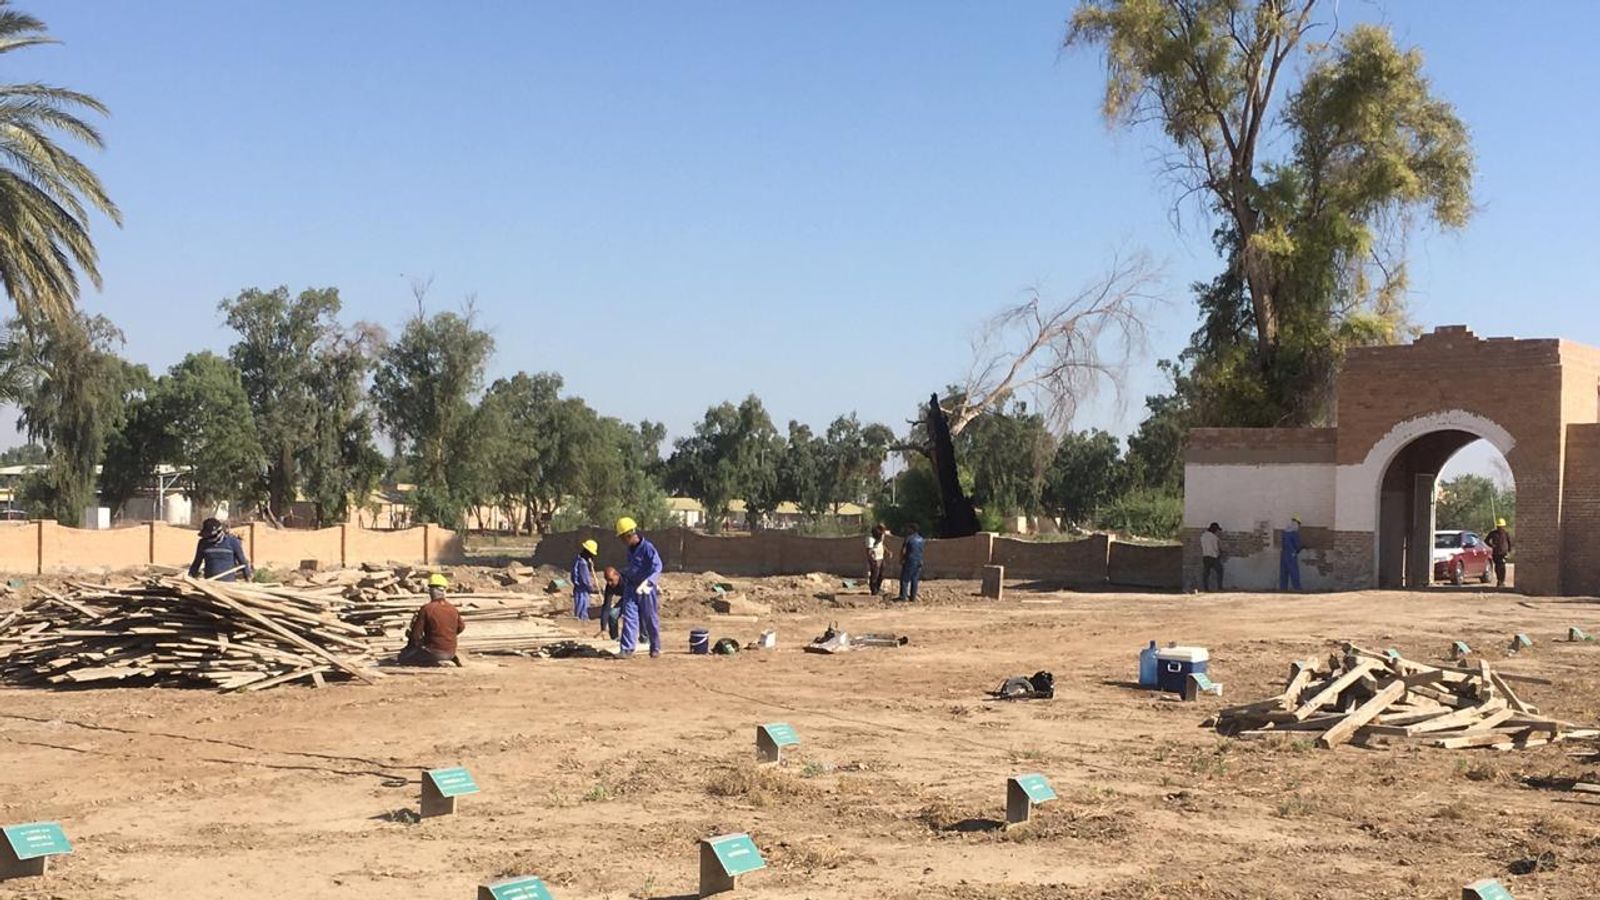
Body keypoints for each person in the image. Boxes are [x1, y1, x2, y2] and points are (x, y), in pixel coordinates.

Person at [615, 516, 663, 658]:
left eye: (622, 538)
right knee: (629, 616)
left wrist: (650, 582)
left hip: (646, 588)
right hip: (631, 587)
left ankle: (655, 646)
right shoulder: (630, 549)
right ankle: (627, 649)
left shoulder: (647, 548)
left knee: (650, 618)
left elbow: (657, 566)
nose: (622, 542)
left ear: (629, 535)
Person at [399, 573, 465, 667]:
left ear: (431, 591)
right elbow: (461, 627)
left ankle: (437, 663)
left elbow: (416, 636)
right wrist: (447, 635)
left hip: (433, 652)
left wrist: (412, 647)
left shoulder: (427, 609)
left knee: (404, 658)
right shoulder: (453, 609)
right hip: (451, 652)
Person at [188, 517, 252, 582]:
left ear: (218, 532)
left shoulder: (232, 542)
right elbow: (197, 562)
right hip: (209, 584)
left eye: (209, 536)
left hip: (228, 586)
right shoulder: (203, 543)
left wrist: (248, 578)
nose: (208, 538)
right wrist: (190, 576)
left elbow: (243, 562)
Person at [895, 522, 926, 602]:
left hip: (910, 560)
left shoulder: (909, 538)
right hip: (919, 560)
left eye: (909, 528)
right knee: (914, 579)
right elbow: (921, 550)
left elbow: (903, 550)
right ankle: (913, 597)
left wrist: (901, 559)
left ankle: (903, 596)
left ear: (912, 529)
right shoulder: (921, 539)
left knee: (904, 579)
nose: (907, 530)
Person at [571, 539, 600, 620]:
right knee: (582, 606)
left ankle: (579, 619)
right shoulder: (583, 563)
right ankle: (581, 620)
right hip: (582, 589)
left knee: (579, 605)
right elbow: (585, 579)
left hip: (578, 587)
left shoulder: (579, 559)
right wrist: (592, 588)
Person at [597, 566, 624, 640]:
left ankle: (644, 638)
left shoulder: (626, 579)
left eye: (611, 580)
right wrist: (603, 628)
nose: (609, 583)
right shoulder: (609, 587)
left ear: (617, 575)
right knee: (612, 614)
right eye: (607, 580)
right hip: (625, 598)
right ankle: (614, 638)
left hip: (637, 596)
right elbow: (606, 606)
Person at [1485, 517, 1514, 588]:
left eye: (1501, 527)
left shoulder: (1506, 533)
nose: (1500, 528)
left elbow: (1510, 543)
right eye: (1499, 526)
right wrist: (1492, 545)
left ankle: (1502, 581)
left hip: (1503, 553)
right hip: (1496, 553)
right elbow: (1486, 541)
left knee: (1502, 567)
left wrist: (1509, 551)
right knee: (1498, 567)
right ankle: (1499, 580)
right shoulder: (1493, 533)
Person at [1279, 516, 1303, 591]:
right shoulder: (1294, 533)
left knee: (1283, 573)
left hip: (1283, 554)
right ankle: (1297, 588)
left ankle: (1283, 589)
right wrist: (1299, 549)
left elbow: (1283, 543)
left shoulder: (1285, 532)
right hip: (1291, 554)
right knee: (1294, 571)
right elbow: (1297, 545)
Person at [865, 523, 889, 596]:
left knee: (881, 575)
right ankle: (874, 590)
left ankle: (878, 588)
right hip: (875, 559)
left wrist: (887, 551)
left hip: (881, 557)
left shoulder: (880, 536)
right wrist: (872, 560)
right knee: (875, 575)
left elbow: (881, 544)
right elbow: (868, 551)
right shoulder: (870, 539)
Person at [1200, 522, 1224, 591]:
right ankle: (1219, 587)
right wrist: (1219, 554)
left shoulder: (1203, 536)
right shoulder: (1214, 537)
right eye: (1216, 530)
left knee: (1206, 573)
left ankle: (1206, 588)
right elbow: (1216, 548)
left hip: (1205, 556)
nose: (1216, 531)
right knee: (1220, 571)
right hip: (1213, 557)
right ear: (1214, 529)